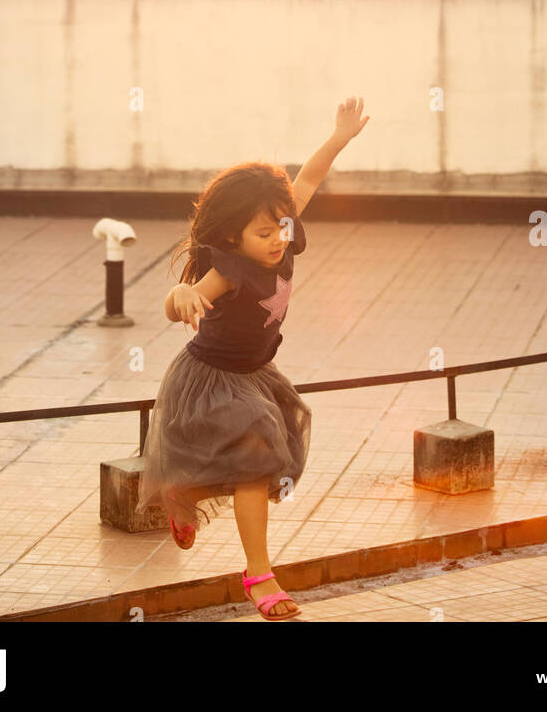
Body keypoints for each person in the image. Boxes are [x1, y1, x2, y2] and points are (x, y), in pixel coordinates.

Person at [133, 96, 370, 620]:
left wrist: (338, 137)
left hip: (256, 374)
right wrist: (185, 298)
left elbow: (304, 182)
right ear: (231, 237)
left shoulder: (282, 227)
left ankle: (183, 493)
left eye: (283, 229)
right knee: (257, 460)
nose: (278, 241)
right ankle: (259, 575)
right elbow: (175, 301)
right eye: (264, 234)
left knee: (264, 449)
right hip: (211, 379)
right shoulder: (230, 269)